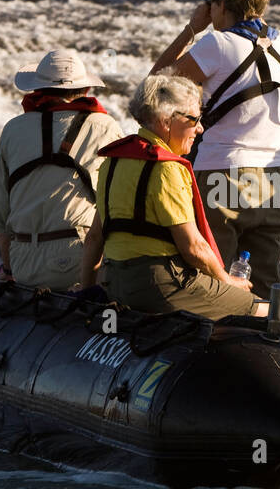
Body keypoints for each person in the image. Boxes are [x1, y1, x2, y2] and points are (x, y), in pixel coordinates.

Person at [149, 0, 280, 295]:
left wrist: (192, 28)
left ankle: (214, 341)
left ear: (220, 3)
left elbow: (155, 88)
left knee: (215, 279)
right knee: (265, 280)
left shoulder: (216, 43)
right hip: (273, 175)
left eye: (211, 2)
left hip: (221, 172)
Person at [78, 72, 256, 320]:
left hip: (116, 283)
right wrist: (227, 281)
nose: (200, 128)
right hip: (160, 286)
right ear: (166, 121)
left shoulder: (113, 163)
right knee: (261, 308)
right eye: (194, 120)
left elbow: (94, 238)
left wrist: (87, 295)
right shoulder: (167, 169)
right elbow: (194, 248)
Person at [0, 50, 123, 289]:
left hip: (25, 263)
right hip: (81, 261)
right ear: (85, 90)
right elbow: (120, 203)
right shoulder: (105, 127)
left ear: (37, 91)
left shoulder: (13, 129)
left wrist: (9, 271)